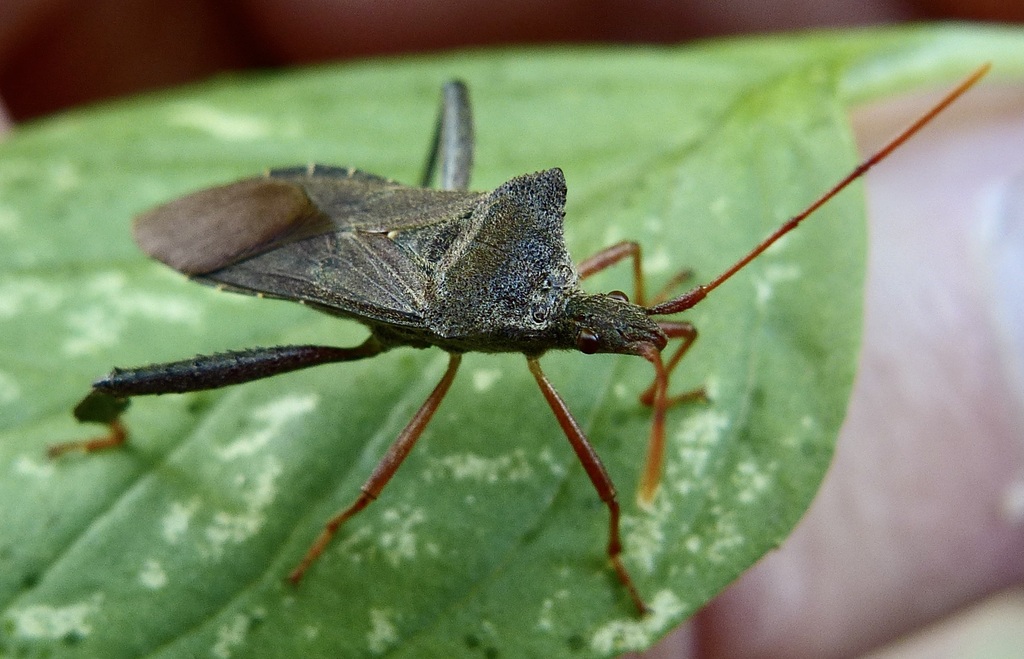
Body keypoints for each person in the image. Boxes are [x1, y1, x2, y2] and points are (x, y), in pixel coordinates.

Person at [2, 2, 1021, 656]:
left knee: (514, 160)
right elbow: (396, 468)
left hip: (337, 212)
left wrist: (642, 342)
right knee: (131, 375)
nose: (613, 331)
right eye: (595, 338)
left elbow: (615, 308)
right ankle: (104, 420)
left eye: (601, 334)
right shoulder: (475, 324)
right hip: (363, 286)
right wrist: (337, 523)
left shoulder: (578, 288)